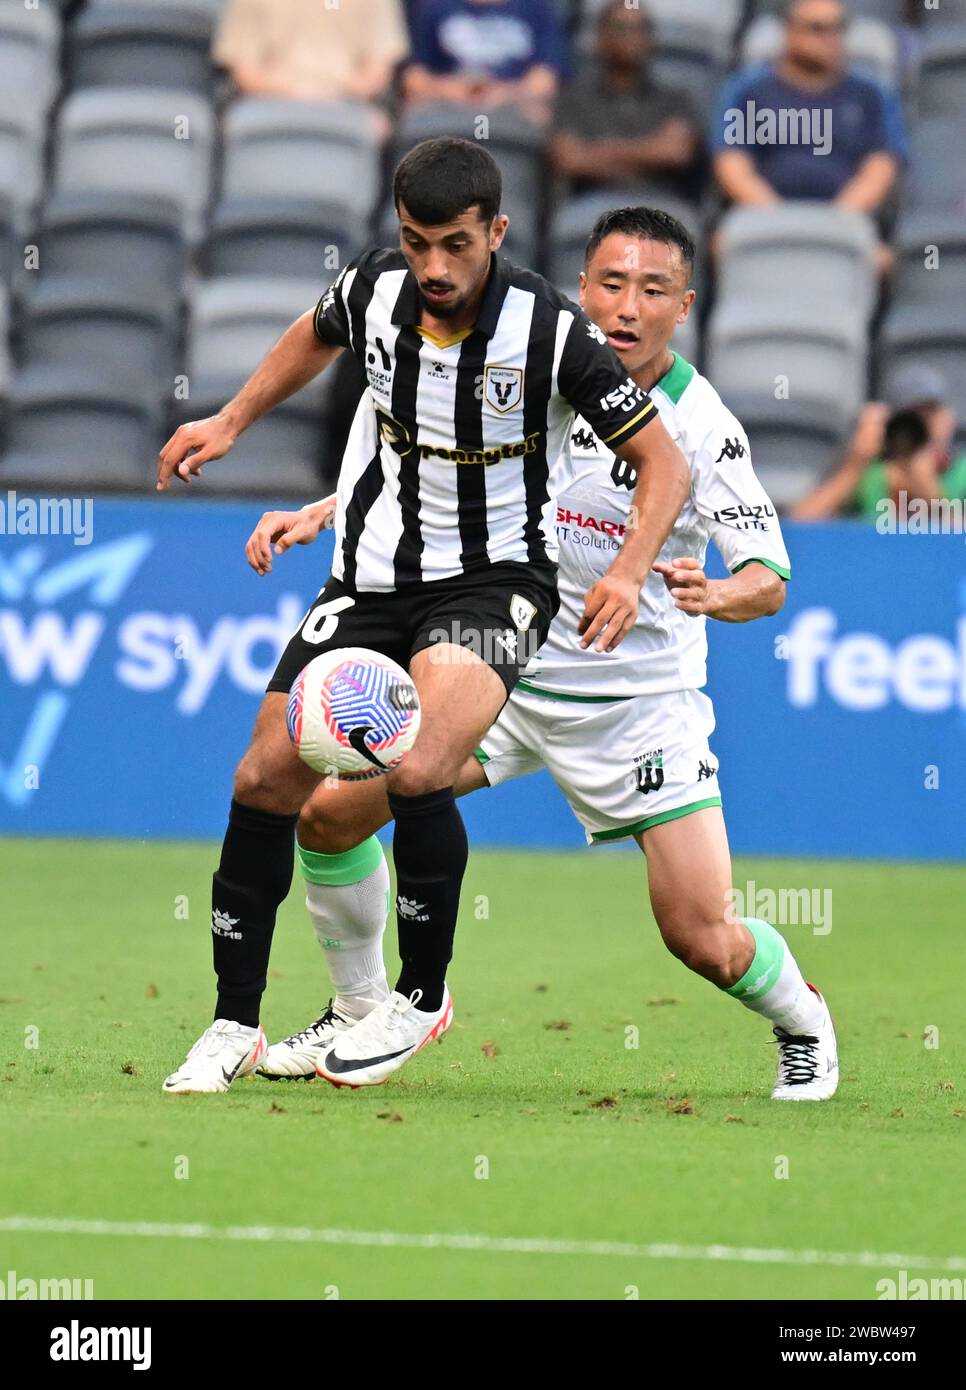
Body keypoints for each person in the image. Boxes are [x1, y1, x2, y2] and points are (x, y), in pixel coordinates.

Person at [253, 206, 838, 1101]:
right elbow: (431, 469)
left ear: (683, 306)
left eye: (651, 290)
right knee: (328, 819)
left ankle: (804, 1018)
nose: (626, 306)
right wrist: (326, 512)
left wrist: (715, 594)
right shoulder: (534, 372)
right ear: (581, 289)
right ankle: (367, 1005)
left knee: (700, 934)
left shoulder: (701, 426)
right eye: (609, 283)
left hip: (635, 706)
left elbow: (769, 577)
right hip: (503, 670)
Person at [156, 141, 691, 1094]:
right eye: (416, 244)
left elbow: (665, 462)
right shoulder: (373, 287)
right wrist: (232, 420)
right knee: (264, 778)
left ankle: (420, 994)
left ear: (497, 231)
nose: (434, 268)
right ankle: (234, 1022)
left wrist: (627, 568)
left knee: (418, 766)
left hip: (495, 583)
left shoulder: (550, 330)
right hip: (367, 579)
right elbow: (313, 335)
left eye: (454, 245)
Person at [712, 0, 905, 268]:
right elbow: (732, 165)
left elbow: (880, 168)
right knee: (722, 244)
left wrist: (833, 223)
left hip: (846, 219)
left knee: (880, 259)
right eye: (818, 29)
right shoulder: (748, 90)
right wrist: (780, 221)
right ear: (789, 31)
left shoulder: (871, 94)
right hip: (762, 216)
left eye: (838, 28)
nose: (831, 38)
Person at [551, 1, 701, 205]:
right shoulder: (573, 98)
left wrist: (604, 149)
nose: (632, 36)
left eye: (640, 29)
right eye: (622, 28)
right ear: (600, 39)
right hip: (592, 202)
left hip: (659, 202)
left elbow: (676, 152)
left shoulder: (675, 98)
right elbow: (569, 159)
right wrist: (648, 154)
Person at [792, 365, 966, 521]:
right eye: (911, 417)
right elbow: (800, 525)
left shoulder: (961, 474)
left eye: (929, 414)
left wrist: (930, 493)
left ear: (947, 419)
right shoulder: (868, 475)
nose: (920, 426)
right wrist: (855, 462)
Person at [213, 0, 409, 105]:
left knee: (375, 126)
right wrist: (297, 94)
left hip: (349, 103)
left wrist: (333, 95)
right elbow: (245, 73)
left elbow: (378, 72)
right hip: (269, 101)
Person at [402, 0, 567, 123]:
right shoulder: (434, 6)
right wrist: (449, 90)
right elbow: (414, 78)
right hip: (446, 107)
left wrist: (503, 93)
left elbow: (545, 82)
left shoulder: (536, 7)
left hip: (512, 109)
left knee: (539, 116)